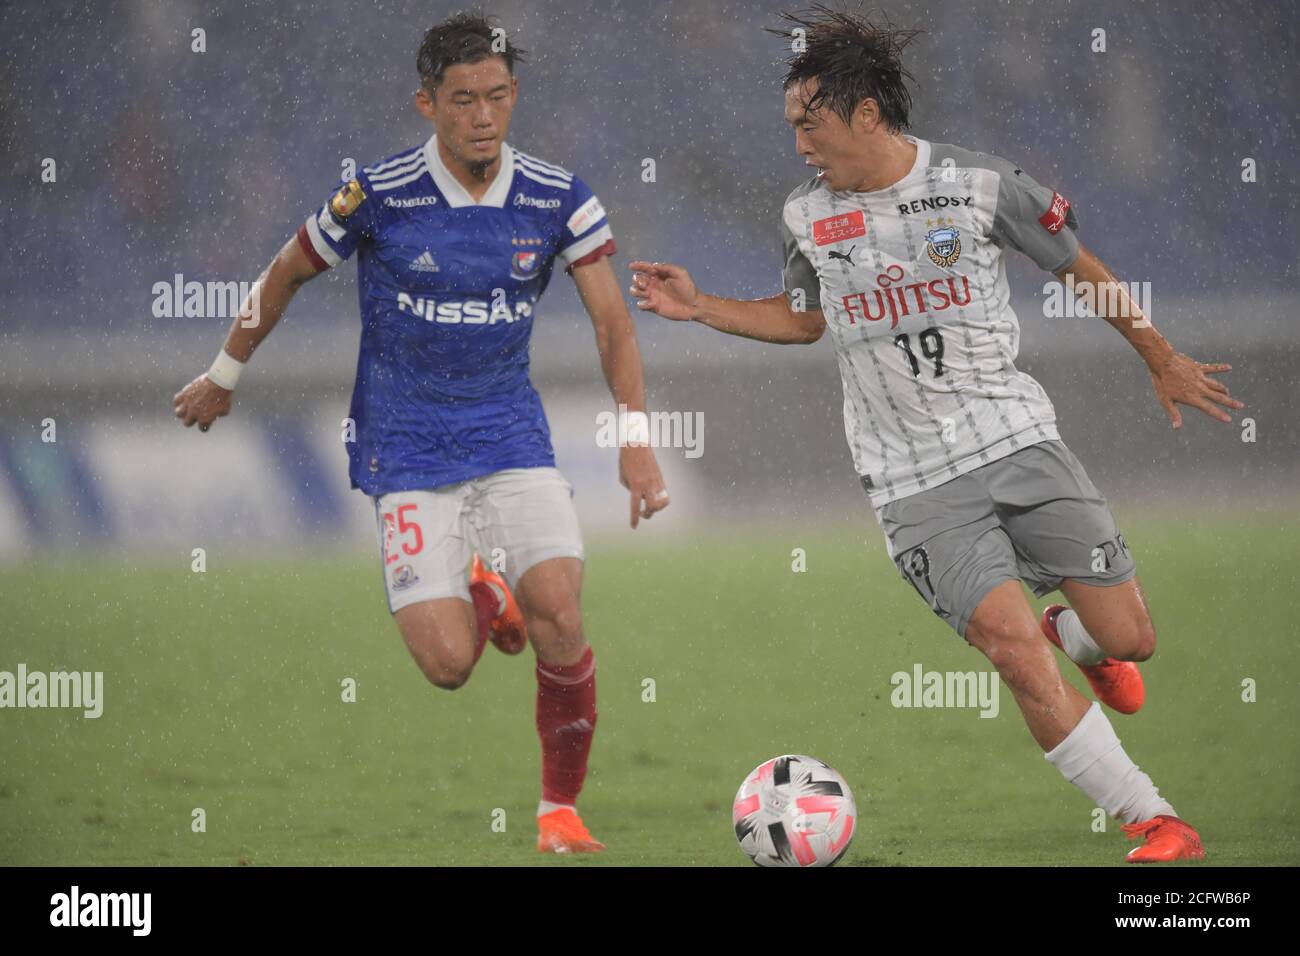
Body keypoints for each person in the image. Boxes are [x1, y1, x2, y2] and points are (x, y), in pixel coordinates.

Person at [630, 7, 1241, 863]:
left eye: (811, 124)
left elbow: (1080, 266)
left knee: (1131, 639)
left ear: (867, 114)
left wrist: (1160, 355)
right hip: (913, 480)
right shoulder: (806, 217)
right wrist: (701, 309)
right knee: (1012, 652)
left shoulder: (983, 185)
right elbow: (805, 321)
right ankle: (1154, 818)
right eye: (792, 128)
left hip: (1019, 439)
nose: (800, 145)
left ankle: (1080, 635)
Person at [172, 12, 669, 854]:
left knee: (558, 610)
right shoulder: (377, 193)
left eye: (499, 97)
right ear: (427, 103)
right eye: (464, 99)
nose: (484, 116)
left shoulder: (558, 195)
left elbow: (614, 322)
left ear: (516, 97)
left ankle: (557, 810)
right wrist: (224, 375)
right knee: (449, 667)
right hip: (402, 445)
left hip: (510, 434)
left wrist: (634, 437)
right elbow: (287, 271)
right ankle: (480, 584)